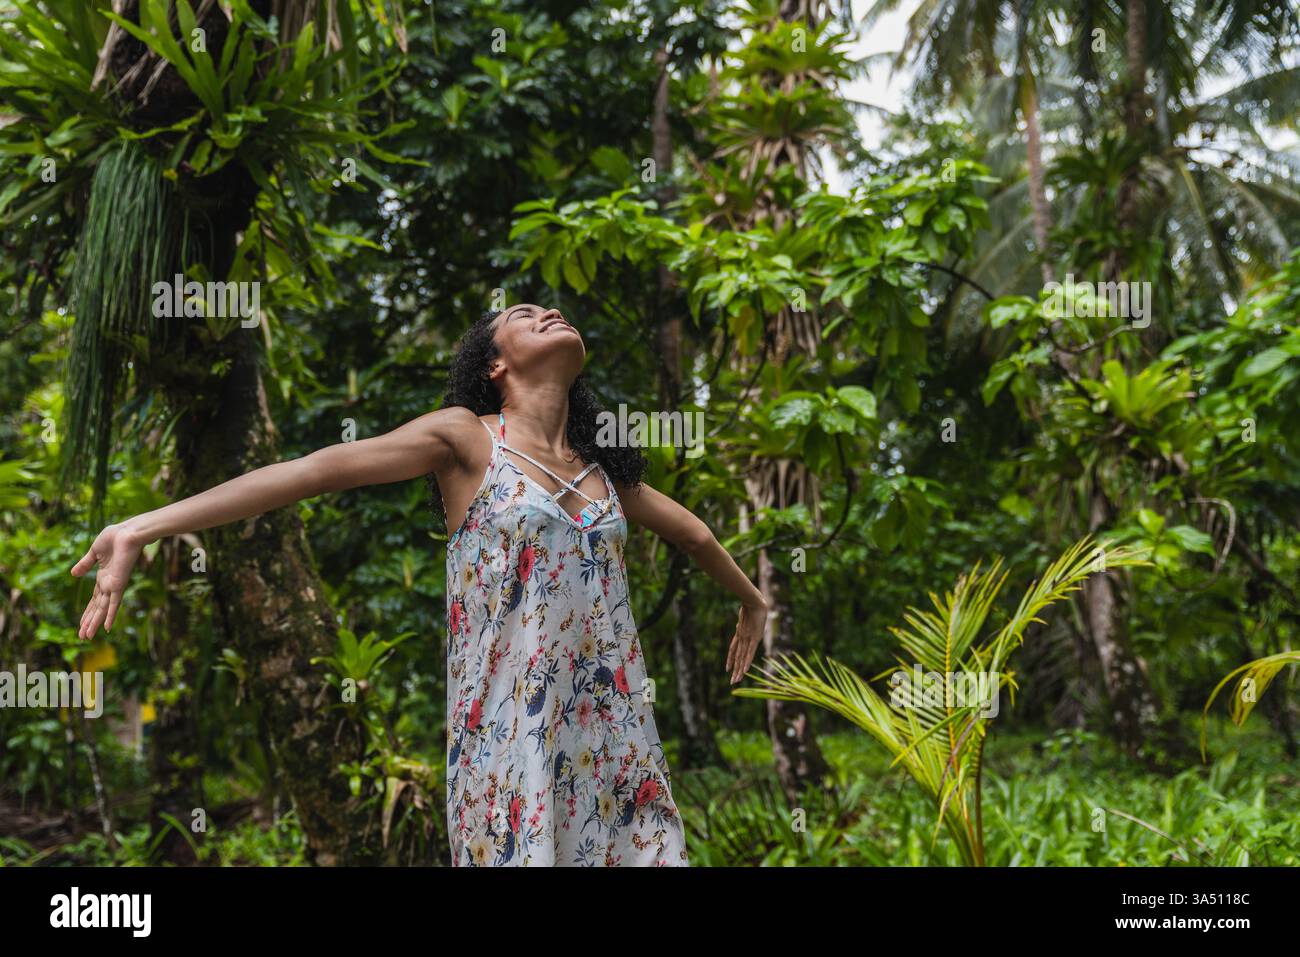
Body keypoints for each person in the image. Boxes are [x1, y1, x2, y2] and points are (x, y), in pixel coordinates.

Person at [71, 303, 770, 866]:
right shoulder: (467, 440)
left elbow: (696, 535)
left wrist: (752, 599)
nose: (549, 312)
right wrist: (144, 526)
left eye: (553, 308)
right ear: (495, 364)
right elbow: (317, 468)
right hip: (509, 746)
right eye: (525, 314)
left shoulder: (599, 472)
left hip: (615, 745)